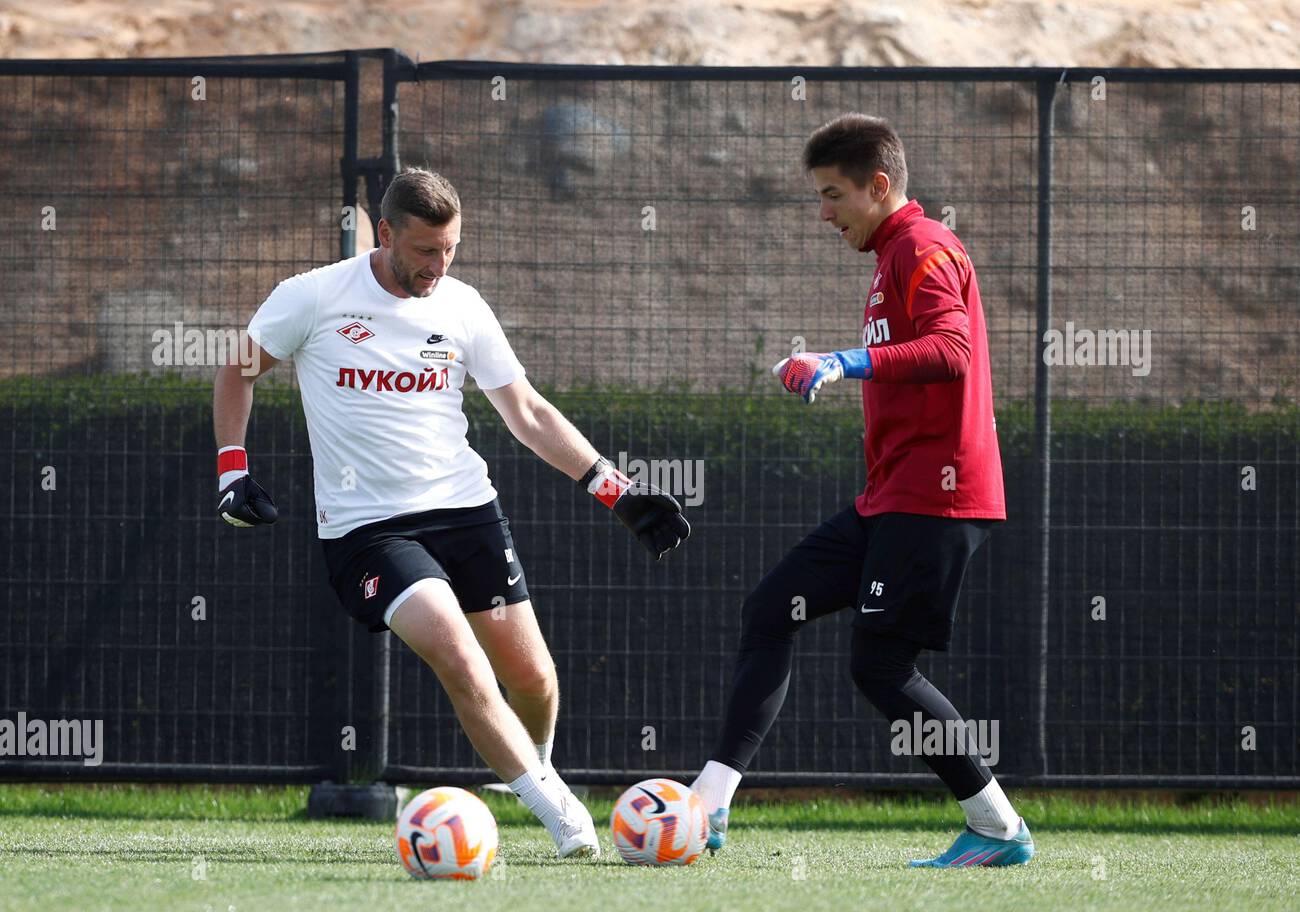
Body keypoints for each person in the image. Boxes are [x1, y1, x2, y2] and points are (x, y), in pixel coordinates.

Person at [213, 167, 690, 859]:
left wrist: (617, 491)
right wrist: (234, 472)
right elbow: (237, 368)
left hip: (467, 511)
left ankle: (534, 767)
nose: (438, 266)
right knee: (461, 659)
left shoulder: (463, 306)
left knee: (533, 679)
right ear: (385, 233)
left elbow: (527, 413)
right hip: (369, 531)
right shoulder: (313, 297)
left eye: (450, 250)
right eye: (425, 251)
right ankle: (560, 815)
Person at [690, 114, 1033, 868]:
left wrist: (841, 362)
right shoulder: (890, 255)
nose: (823, 212)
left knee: (880, 666)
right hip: (891, 497)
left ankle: (999, 827)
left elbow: (950, 350)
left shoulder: (926, 247)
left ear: (880, 186)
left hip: (937, 499)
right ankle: (711, 799)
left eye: (833, 194)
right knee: (770, 607)